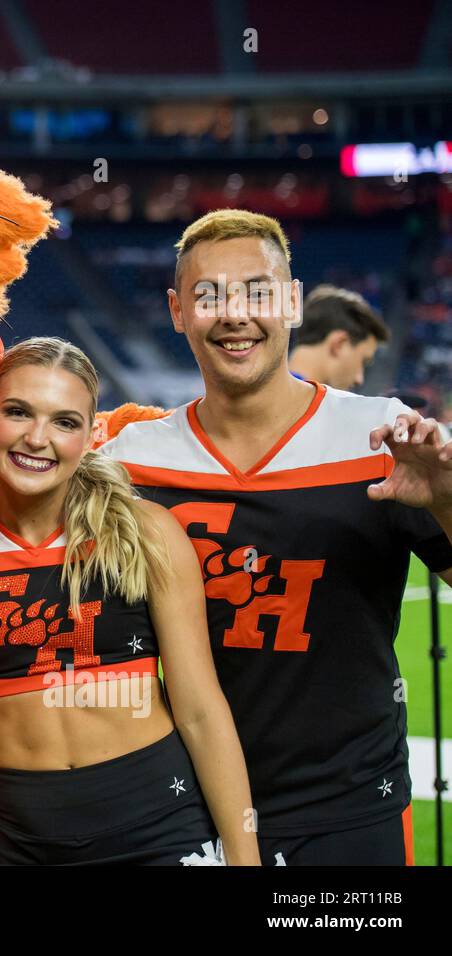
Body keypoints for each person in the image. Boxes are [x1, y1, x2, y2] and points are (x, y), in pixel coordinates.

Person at [101, 209, 452, 865]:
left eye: (257, 291)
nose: (235, 314)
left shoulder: (381, 437)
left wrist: (448, 498)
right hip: (181, 809)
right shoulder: (130, 461)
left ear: (292, 301)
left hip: (347, 812)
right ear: (178, 311)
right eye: (209, 295)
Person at [0, 337, 258, 865]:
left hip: (161, 827)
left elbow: (199, 708)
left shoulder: (142, 530)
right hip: (26, 841)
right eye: (17, 412)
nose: (38, 439)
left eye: (64, 422)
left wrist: (244, 857)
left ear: (87, 435)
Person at [288, 284, 389, 391]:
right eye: (363, 361)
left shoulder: (274, 393)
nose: (359, 379)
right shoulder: (291, 402)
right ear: (339, 344)